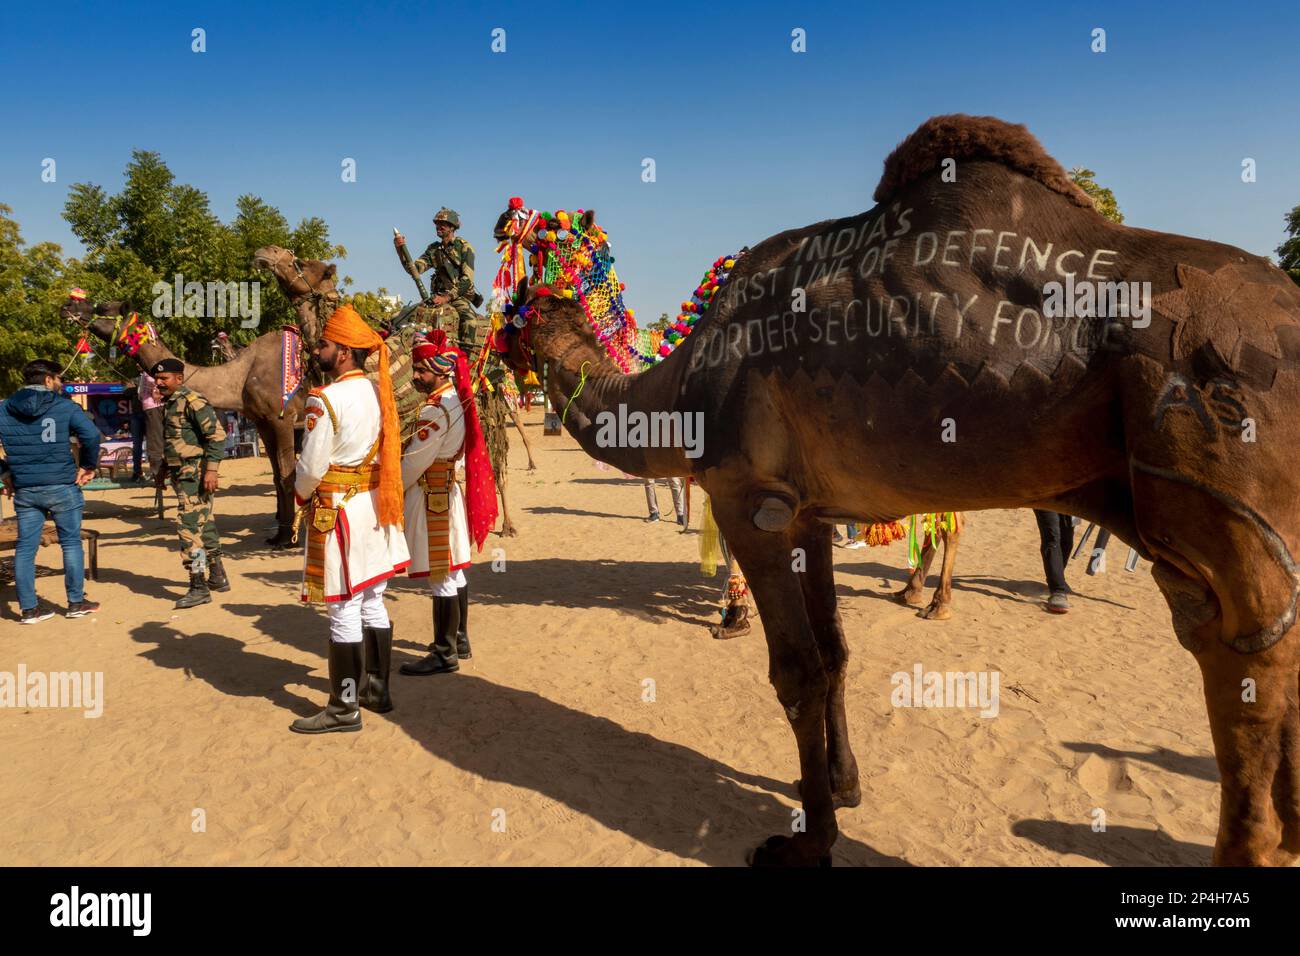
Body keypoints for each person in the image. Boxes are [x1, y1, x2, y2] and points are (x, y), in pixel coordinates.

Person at [291, 304, 410, 733]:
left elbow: (310, 466)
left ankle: (344, 709)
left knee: (342, 607)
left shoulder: (325, 399)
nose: (317, 349)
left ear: (343, 352)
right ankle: (376, 689)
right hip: (374, 510)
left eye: (323, 344)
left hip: (338, 510)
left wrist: (300, 496)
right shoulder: (379, 394)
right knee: (373, 600)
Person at [398, 334, 497, 676]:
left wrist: (393, 489)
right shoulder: (455, 399)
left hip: (432, 497)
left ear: (437, 372)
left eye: (420, 370)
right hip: (447, 492)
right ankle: (459, 639)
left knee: (440, 574)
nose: (415, 376)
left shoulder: (435, 409)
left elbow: (414, 463)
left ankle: (444, 653)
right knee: (454, 571)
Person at [0, 359, 101, 622]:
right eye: (58, 378)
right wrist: (88, 466)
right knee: (70, 544)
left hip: (25, 488)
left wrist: (4, 472)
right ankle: (76, 603)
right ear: (47, 380)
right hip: (62, 486)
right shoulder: (65, 406)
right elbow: (91, 435)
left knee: (25, 548)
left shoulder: (5, 409)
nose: (61, 383)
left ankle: (29, 610)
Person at [152, 358, 228, 609]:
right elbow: (175, 441)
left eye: (164, 379)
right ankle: (217, 575)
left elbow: (216, 436)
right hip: (181, 474)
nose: (159, 382)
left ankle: (198, 585)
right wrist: (163, 468)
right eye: (157, 379)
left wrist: (212, 471)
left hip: (195, 475)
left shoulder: (192, 401)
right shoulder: (170, 403)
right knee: (204, 525)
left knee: (188, 530)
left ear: (179, 379)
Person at [397, 207, 483, 353]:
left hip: (457, 297)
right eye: (437, 223)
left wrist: (447, 297)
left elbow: (467, 280)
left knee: (470, 321)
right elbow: (415, 270)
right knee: (402, 317)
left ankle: (467, 362)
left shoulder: (464, 247)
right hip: (436, 296)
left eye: (443, 223)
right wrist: (400, 250)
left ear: (452, 227)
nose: (439, 226)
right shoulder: (433, 249)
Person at [1033, 509, 1075, 613]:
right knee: (1052, 538)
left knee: (1067, 540)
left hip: (1069, 498)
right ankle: (1058, 590)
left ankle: (1058, 578)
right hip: (1045, 497)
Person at [138, 370, 165, 479]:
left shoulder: (153, 367)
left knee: (160, 440)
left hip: (159, 405)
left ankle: (161, 473)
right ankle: (157, 473)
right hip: (152, 406)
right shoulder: (147, 371)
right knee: (155, 441)